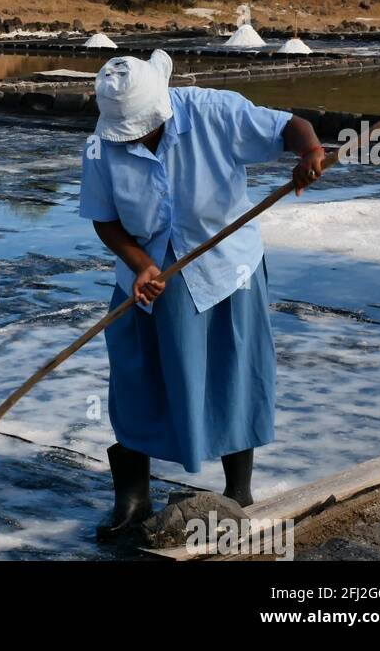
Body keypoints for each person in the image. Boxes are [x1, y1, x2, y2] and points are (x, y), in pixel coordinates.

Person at [78, 50, 324, 538]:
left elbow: (289, 127)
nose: (138, 140)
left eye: (144, 130)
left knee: (232, 371)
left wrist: (309, 152)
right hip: (146, 275)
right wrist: (142, 265)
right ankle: (132, 499)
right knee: (137, 375)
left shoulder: (215, 111)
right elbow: (105, 220)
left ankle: (238, 493)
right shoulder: (100, 146)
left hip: (226, 267)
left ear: (162, 108)